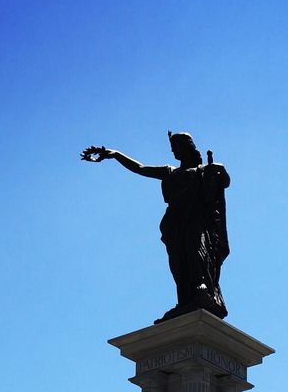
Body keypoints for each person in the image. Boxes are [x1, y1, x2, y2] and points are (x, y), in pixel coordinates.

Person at [81, 133, 231, 322]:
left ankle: (202, 289)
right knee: (177, 262)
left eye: (176, 146)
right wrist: (116, 154)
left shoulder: (204, 170)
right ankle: (185, 301)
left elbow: (224, 183)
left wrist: (221, 169)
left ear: (188, 147)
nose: (173, 150)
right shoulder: (170, 171)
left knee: (196, 251)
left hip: (196, 221)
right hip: (174, 224)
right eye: (172, 147)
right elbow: (140, 168)